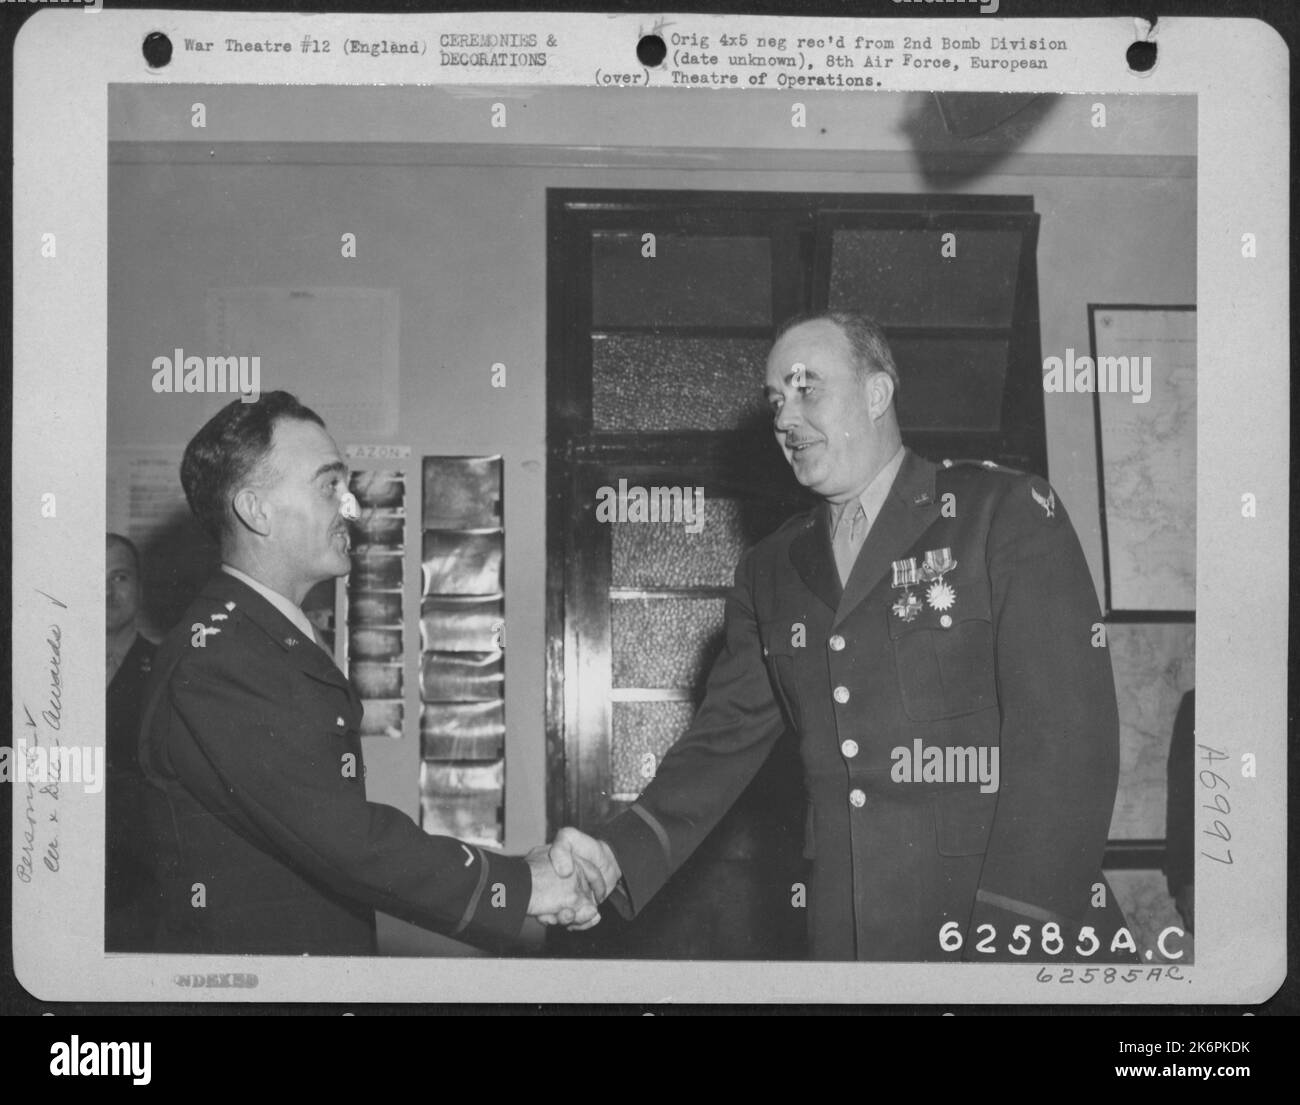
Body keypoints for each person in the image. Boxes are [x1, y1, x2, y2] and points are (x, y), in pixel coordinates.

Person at [549, 311, 1128, 961]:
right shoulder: (769, 569)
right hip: (851, 942)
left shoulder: (1002, 512)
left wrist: (1013, 942)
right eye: (775, 401)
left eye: (806, 388)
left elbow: (1069, 745)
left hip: (1000, 926)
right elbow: (721, 742)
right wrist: (617, 852)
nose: (786, 419)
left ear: (877, 393)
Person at [137, 391, 594, 954]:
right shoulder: (223, 657)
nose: (351, 506)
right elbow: (345, 839)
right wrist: (520, 886)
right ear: (256, 511)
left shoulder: (254, 636)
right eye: (328, 484)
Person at [105, 533, 160, 950]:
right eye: (95, 577)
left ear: (139, 587)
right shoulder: (46, 667)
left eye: (119, 577)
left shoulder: (167, 670)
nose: (107, 591)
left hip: (142, 878)